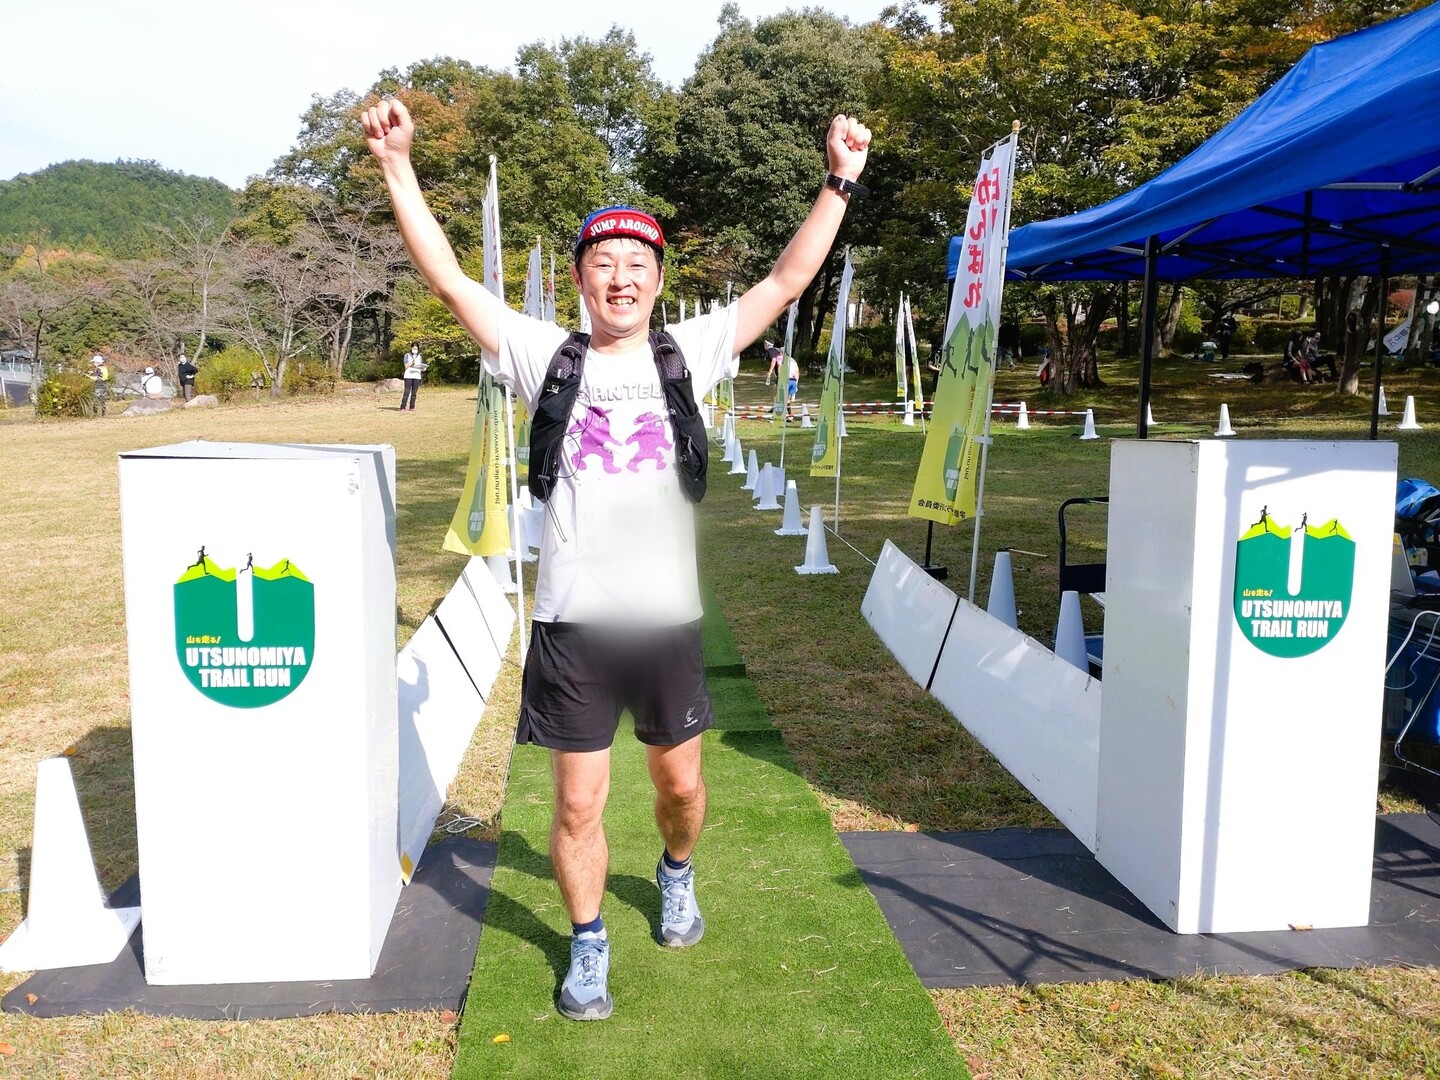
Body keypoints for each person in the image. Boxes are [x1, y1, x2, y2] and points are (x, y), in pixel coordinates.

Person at [362, 95, 870, 1022]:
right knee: (577, 805)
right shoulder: (540, 354)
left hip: (667, 617)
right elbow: (449, 282)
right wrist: (399, 167)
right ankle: (587, 942)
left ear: (657, 278)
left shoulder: (696, 350)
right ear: (583, 278)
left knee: (680, 783)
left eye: (638, 264)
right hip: (572, 626)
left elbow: (787, 281)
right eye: (606, 264)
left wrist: (839, 180)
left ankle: (678, 873)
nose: (622, 279)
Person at [401, 345, 425, 411]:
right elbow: (406, 365)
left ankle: (412, 406)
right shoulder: (407, 355)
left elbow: (420, 366)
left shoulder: (420, 356)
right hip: (408, 375)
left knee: (414, 393)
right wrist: (411, 363)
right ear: (411, 348)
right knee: (406, 392)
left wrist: (423, 368)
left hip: (417, 376)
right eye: (414, 348)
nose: (415, 350)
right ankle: (403, 406)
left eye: (416, 349)